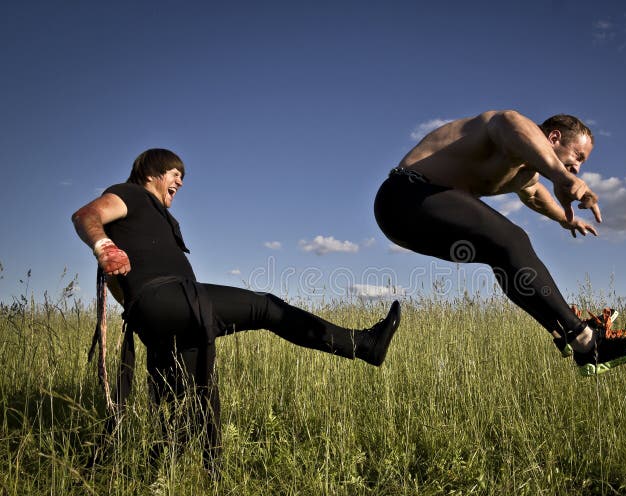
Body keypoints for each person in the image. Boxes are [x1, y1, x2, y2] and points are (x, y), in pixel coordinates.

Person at [73, 148, 401, 471]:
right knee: (266, 307)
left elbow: (125, 281)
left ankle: (167, 481)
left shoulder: (158, 216)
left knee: (191, 403)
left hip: (165, 311)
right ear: (151, 174)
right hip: (168, 300)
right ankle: (362, 344)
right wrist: (105, 247)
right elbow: (85, 215)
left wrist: (141, 310)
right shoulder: (128, 193)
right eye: (175, 174)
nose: (181, 182)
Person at [374, 110, 626, 377]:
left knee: (502, 253)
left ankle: (566, 331)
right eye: (579, 156)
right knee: (512, 239)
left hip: (408, 222)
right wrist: (560, 176)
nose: (577, 167)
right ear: (554, 137)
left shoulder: (525, 171)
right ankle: (587, 341)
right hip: (405, 195)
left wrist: (565, 219)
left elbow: (534, 193)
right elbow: (507, 122)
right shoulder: (512, 128)